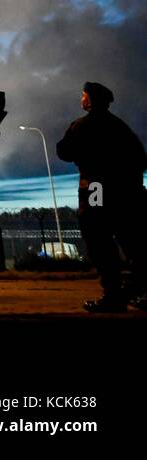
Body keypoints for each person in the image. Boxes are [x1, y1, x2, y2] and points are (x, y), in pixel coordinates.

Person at [56, 81, 147, 312]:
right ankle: (140, 289)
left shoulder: (82, 126)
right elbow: (140, 158)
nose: (81, 98)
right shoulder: (121, 127)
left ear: (90, 100)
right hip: (128, 192)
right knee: (133, 242)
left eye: (83, 95)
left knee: (99, 239)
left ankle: (113, 295)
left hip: (97, 188)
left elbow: (64, 151)